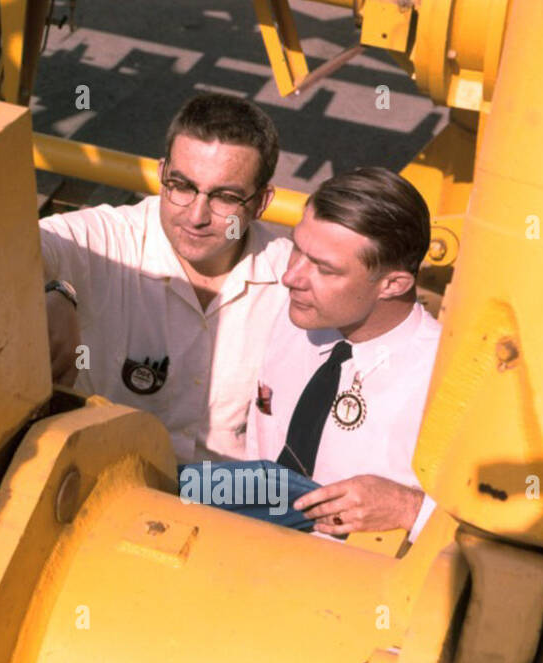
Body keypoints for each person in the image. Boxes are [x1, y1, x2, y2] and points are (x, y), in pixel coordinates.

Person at [179, 167, 439, 539]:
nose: (291, 277)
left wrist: (411, 509)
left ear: (393, 284)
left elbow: (518, 520)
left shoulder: (446, 383)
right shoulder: (292, 315)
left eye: (324, 268)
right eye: (298, 248)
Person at [39, 92, 292, 463]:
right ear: (161, 175)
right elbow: (7, 244)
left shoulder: (292, 280)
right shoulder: (107, 239)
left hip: (231, 503)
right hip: (105, 481)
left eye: (224, 197)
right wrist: (54, 289)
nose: (196, 215)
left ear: (261, 203)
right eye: (182, 186)